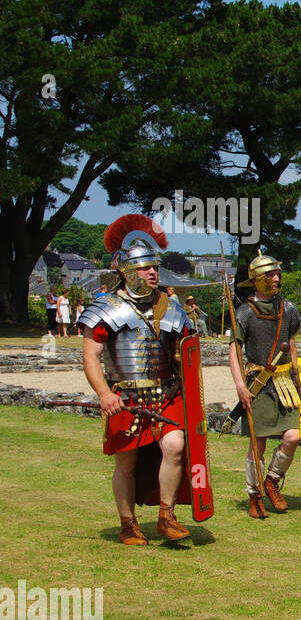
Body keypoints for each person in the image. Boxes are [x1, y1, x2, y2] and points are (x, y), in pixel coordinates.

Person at [77, 215, 195, 544]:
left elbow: (188, 354)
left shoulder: (172, 309)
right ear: (126, 271)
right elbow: (90, 357)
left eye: (154, 267)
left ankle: (166, 515)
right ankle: (128, 522)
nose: (152, 273)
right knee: (126, 463)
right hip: (125, 397)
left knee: (175, 446)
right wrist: (103, 393)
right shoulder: (105, 309)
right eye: (144, 268)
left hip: (165, 394)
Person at [230, 254, 301, 519]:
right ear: (257, 281)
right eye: (270, 275)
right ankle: (254, 495)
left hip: (285, 384)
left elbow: (292, 344)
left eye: (278, 274)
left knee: (292, 437)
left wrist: (297, 373)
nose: (276, 279)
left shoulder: (289, 308)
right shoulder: (244, 313)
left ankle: (272, 480)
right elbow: (234, 350)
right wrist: (240, 385)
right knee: (257, 445)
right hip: (258, 385)